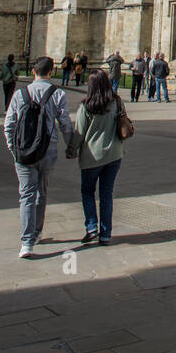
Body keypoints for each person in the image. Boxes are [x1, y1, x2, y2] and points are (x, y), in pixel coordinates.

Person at [4, 55, 74, 257]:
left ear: (34, 71)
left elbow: (9, 125)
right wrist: (71, 146)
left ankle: (26, 242)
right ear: (51, 72)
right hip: (48, 149)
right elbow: (65, 124)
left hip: (23, 151)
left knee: (26, 194)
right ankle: (36, 232)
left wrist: (13, 149)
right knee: (41, 192)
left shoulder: (20, 93)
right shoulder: (57, 93)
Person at [67, 68, 124, 246]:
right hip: (114, 155)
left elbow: (79, 132)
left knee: (87, 191)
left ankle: (91, 226)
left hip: (92, 156)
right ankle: (105, 234)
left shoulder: (86, 106)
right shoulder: (117, 102)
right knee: (106, 194)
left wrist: (71, 149)